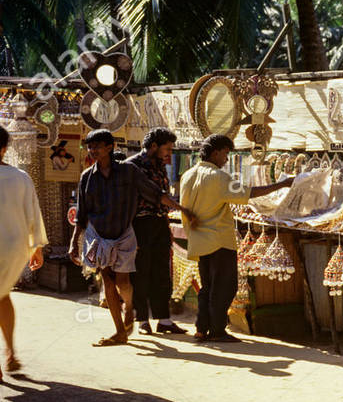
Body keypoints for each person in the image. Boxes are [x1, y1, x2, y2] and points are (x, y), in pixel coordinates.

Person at [68, 128, 183, 346]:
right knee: (108, 280)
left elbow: (155, 194)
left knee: (124, 280)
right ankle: (120, 330)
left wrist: (181, 209)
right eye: (90, 147)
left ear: (110, 147)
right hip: (100, 235)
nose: (92, 151)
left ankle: (131, 310)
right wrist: (74, 242)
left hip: (125, 233)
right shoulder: (86, 177)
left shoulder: (128, 171)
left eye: (97, 146)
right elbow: (81, 213)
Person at [180, 135, 291, 343]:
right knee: (223, 287)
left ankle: (201, 328)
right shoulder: (217, 177)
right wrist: (281, 184)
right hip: (219, 240)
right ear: (215, 153)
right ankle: (217, 330)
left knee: (207, 287)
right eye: (225, 154)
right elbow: (248, 193)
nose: (226, 159)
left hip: (199, 240)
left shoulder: (188, 175)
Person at [127, 127, 185, 334]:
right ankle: (142, 320)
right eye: (167, 149)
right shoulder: (132, 166)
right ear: (153, 147)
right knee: (141, 272)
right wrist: (182, 209)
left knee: (161, 272)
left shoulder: (160, 165)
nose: (169, 153)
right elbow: (154, 195)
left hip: (160, 223)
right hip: (140, 225)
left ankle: (164, 319)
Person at [0, 125, 47, 374]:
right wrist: (36, 247)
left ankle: (7, 355)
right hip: (13, 248)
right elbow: (33, 214)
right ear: (4, 148)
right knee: (2, 295)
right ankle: (10, 351)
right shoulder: (21, 177)